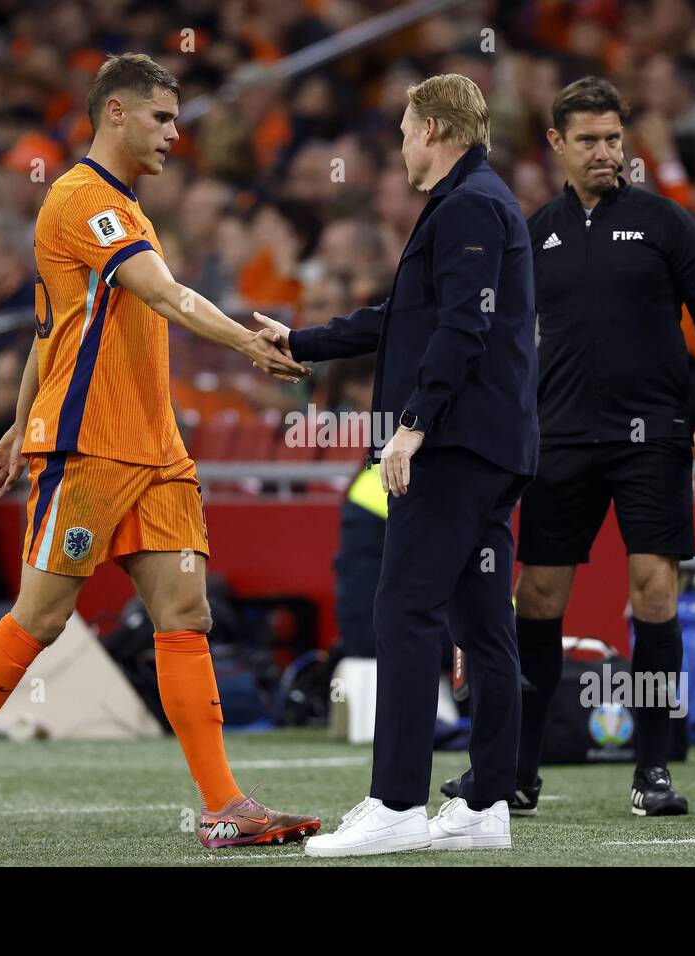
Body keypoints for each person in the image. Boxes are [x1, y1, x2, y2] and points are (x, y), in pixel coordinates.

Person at [0, 53, 319, 853]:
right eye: (161, 117)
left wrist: (16, 420)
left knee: (186, 612)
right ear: (115, 113)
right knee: (42, 617)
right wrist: (247, 343)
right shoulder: (81, 199)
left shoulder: (125, 209)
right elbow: (164, 295)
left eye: (177, 119)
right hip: (88, 444)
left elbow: (48, 330)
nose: (174, 133)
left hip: (155, 450)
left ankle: (223, 806)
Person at [442, 76, 695, 819]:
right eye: (588, 140)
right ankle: (517, 774)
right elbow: (493, 333)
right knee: (538, 598)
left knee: (655, 592)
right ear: (557, 143)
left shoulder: (665, 223)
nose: (605, 152)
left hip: (655, 440)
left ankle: (653, 771)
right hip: (559, 439)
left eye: (614, 138)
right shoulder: (532, 231)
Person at [261, 73, 539, 856]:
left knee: (405, 610)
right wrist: (301, 342)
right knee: (483, 622)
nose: (401, 144)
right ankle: (485, 802)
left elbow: (462, 329)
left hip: (453, 446)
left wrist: (412, 426)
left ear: (435, 130)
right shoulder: (474, 200)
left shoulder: (469, 204)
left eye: (407, 129)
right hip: (488, 447)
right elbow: (405, 317)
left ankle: (397, 804)